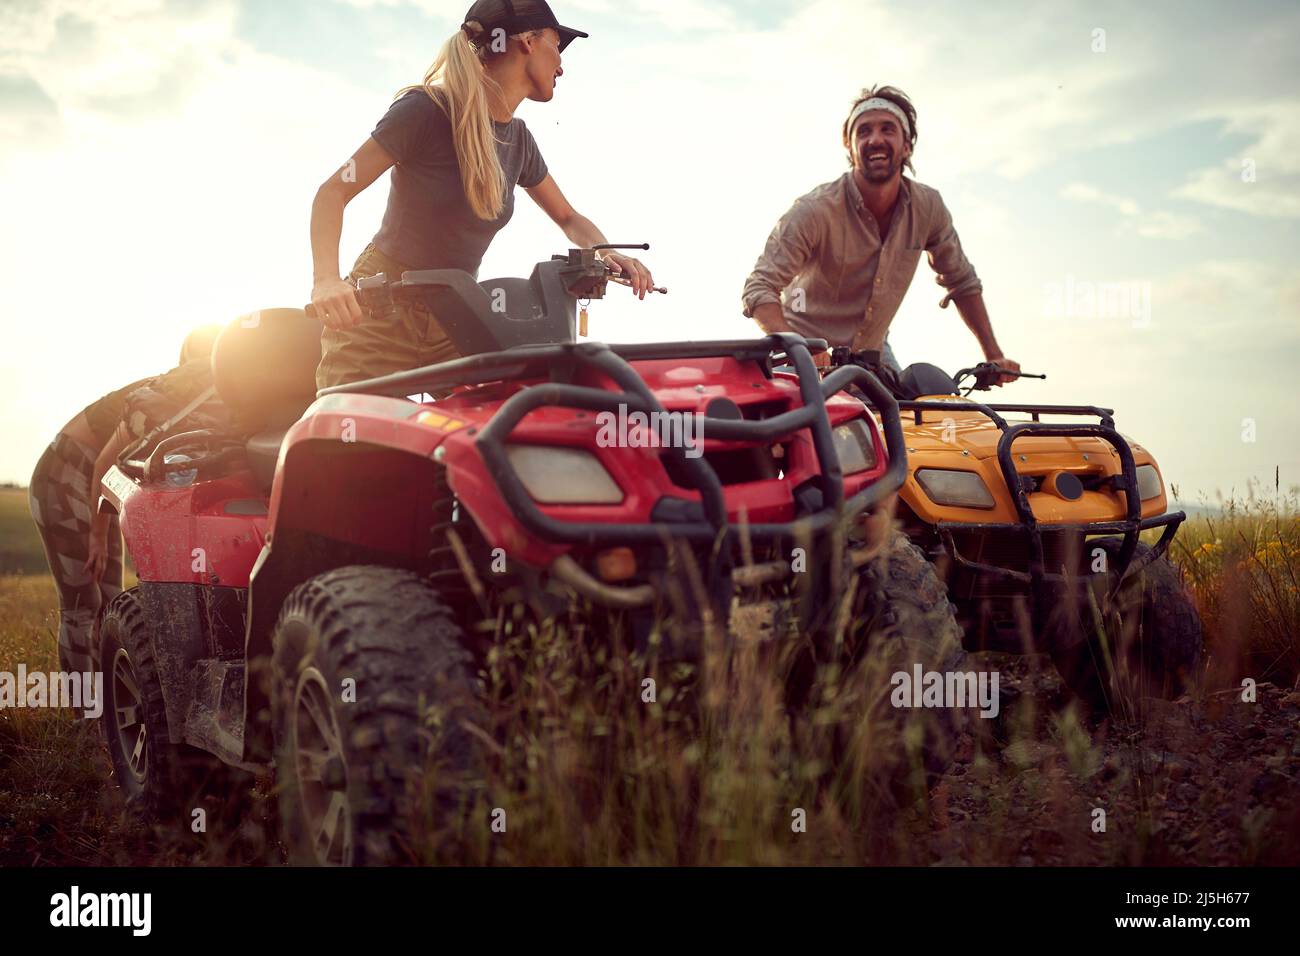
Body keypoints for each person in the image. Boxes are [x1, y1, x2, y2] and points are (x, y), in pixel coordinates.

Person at [310, 0, 654, 389]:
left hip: (456, 314)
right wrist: (326, 280)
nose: (561, 66)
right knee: (346, 423)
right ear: (527, 41)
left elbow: (568, 217)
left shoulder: (519, 140)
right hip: (379, 313)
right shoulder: (425, 110)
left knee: (512, 411)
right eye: (557, 46)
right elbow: (333, 191)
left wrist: (606, 252)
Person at [742, 85, 1019, 383]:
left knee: (919, 407)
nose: (875, 139)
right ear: (849, 147)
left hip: (872, 355)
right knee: (799, 410)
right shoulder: (814, 210)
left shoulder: (929, 207)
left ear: (907, 145)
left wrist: (994, 356)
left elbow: (962, 281)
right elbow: (759, 288)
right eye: (863, 132)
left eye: (887, 129)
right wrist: (800, 347)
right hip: (801, 358)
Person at [27, 326, 223, 674]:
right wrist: (97, 536)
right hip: (65, 474)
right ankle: (82, 705)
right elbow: (104, 463)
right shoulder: (166, 397)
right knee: (82, 604)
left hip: (103, 483)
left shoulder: (200, 398)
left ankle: (108, 699)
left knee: (111, 599)